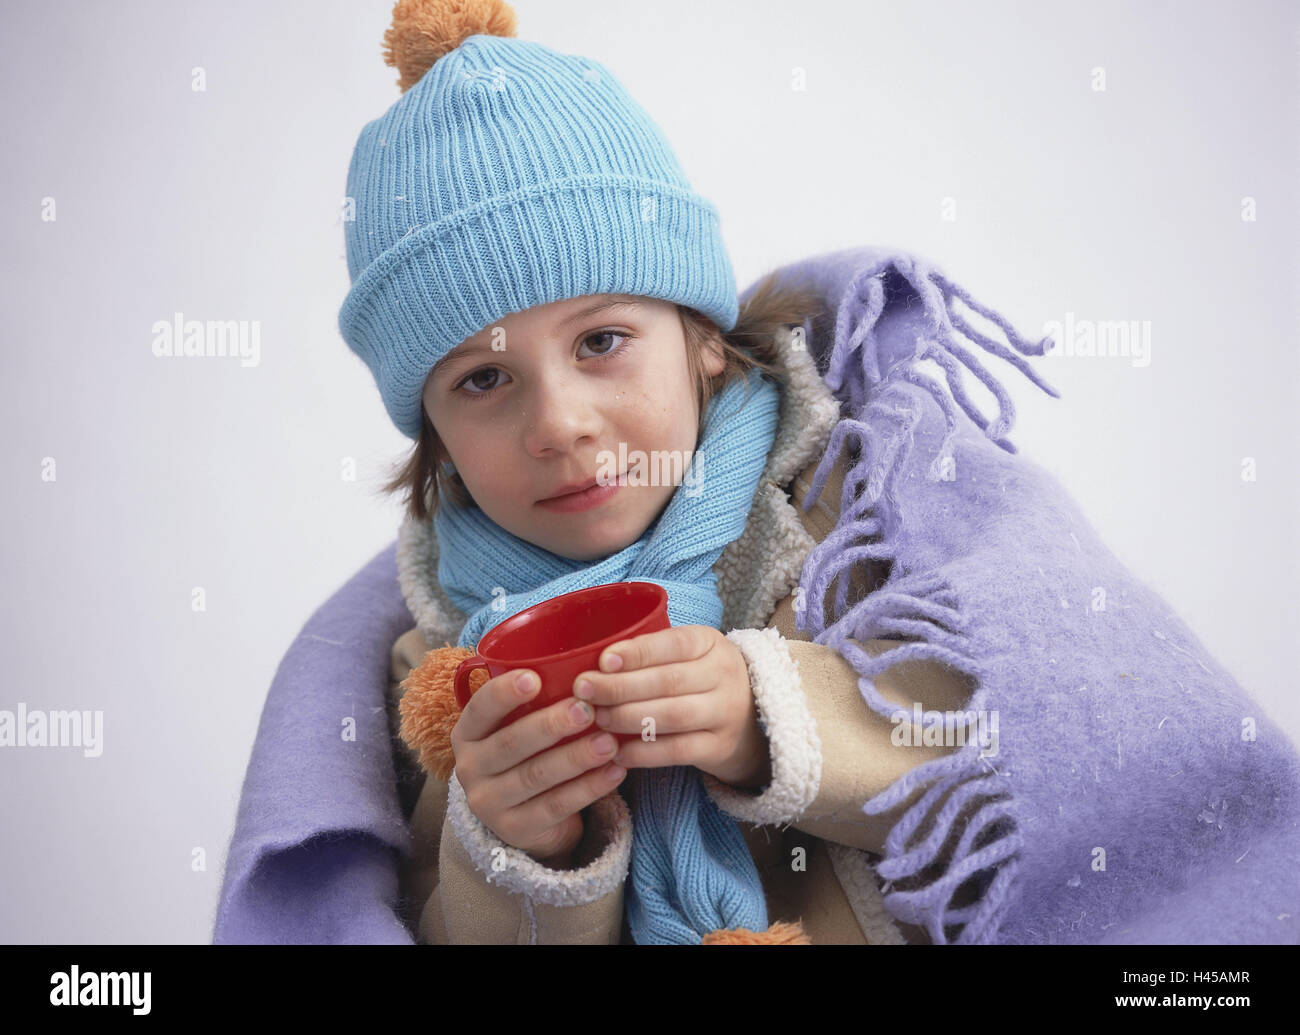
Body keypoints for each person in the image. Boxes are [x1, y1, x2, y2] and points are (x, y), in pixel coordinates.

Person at [213, 0, 1300, 946]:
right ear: (435, 438)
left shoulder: (869, 504)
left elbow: (1043, 749)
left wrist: (774, 718)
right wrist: (515, 851)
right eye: (483, 382)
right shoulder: (439, 665)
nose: (560, 423)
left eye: (601, 342)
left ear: (701, 337)